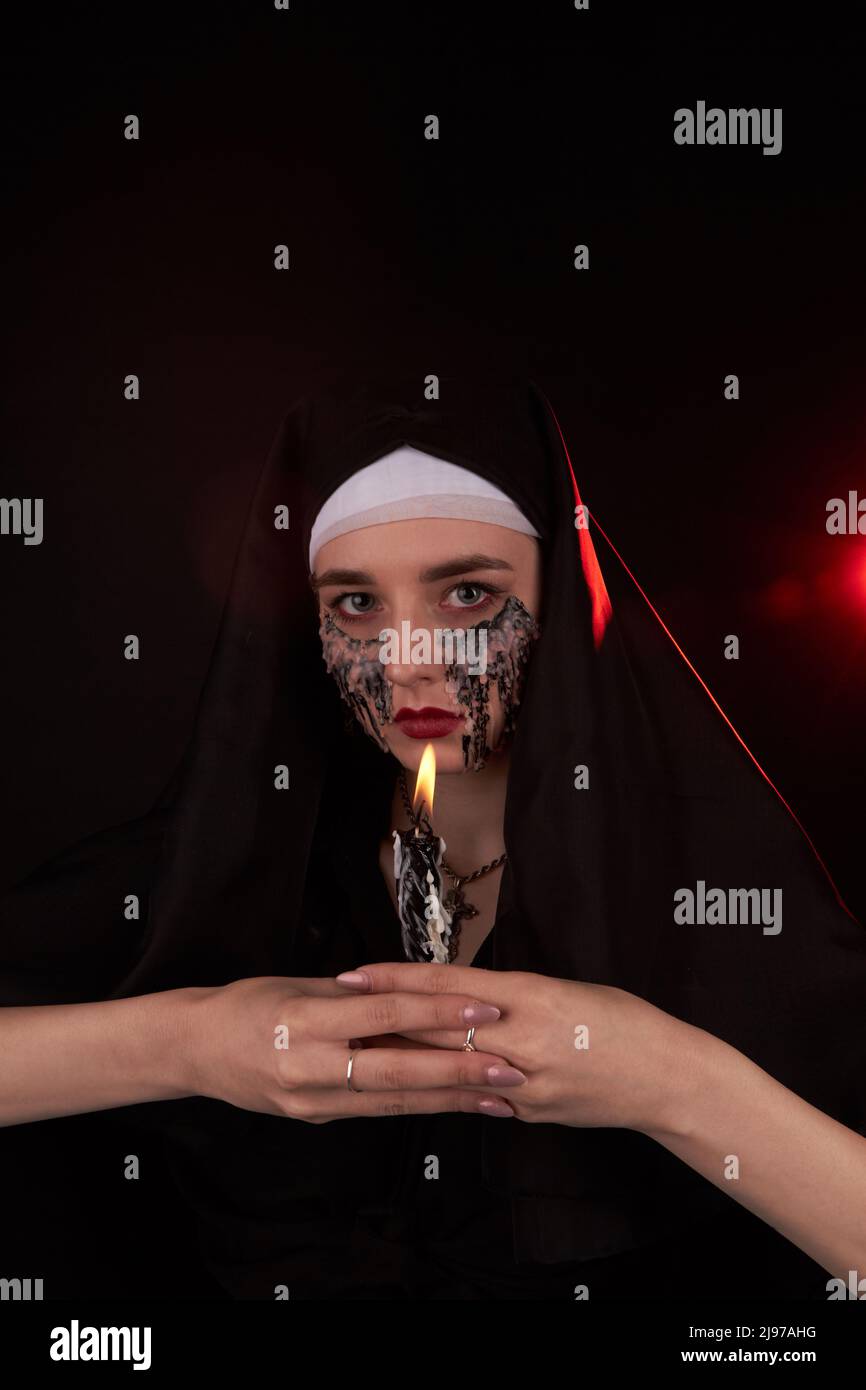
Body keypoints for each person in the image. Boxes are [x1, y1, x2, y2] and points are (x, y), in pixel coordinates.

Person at [1, 371, 865, 1300]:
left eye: (465, 597)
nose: (410, 660)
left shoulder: (716, 892)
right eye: (358, 605)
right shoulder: (231, 867)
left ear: (563, 603)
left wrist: (670, 1081)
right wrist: (190, 1045)